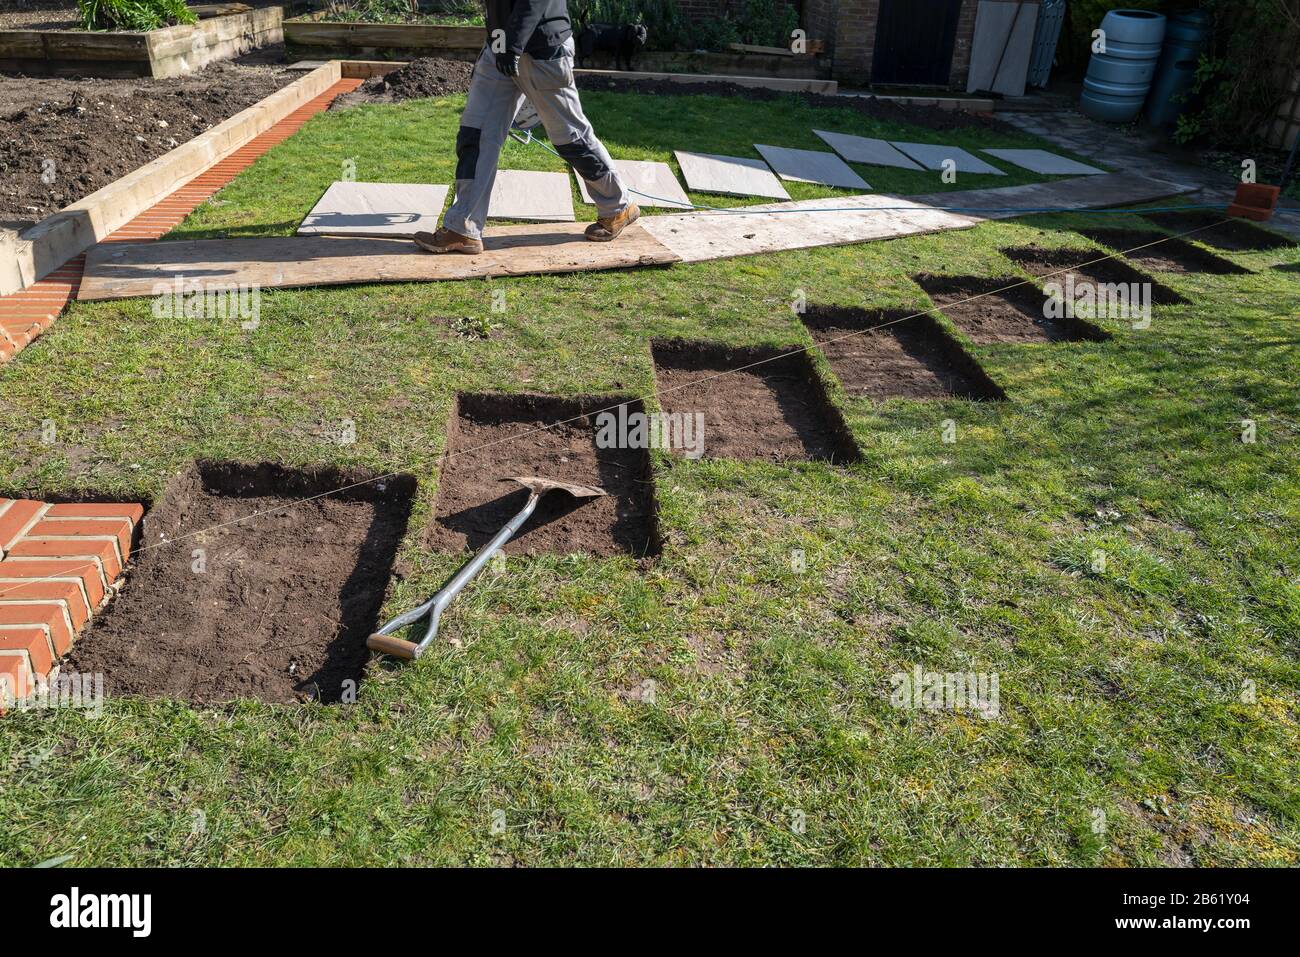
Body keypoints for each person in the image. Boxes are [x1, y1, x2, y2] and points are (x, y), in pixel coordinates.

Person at [415, 0, 639, 255]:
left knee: (570, 138)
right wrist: (501, 45)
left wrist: (513, 46)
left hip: (543, 49)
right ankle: (463, 228)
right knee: (476, 133)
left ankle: (618, 206)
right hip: (499, 46)